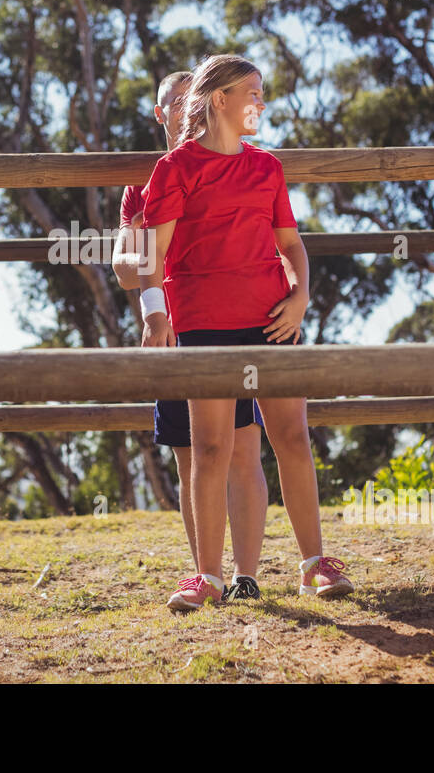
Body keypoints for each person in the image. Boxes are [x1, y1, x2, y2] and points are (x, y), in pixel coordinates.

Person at [138, 54, 354, 610]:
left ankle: (314, 565)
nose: (260, 102)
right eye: (252, 92)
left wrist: (301, 297)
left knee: (292, 439)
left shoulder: (268, 167)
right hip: (202, 325)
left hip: (272, 323)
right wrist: (154, 314)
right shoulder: (175, 168)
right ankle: (207, 577)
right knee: (210, 447)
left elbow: (292, 245)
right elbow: (152, 255)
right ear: (220, 100)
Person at [113, 71, 268, 600]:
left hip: (229, 325)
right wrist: (163, 260)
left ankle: (247, 576)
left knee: (244, 447)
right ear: (160, 113)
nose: (186, 109)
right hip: (175, 332)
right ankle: (208, 574)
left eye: (193, 99)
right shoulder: (143, 184)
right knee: (191, 452)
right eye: (175, 103)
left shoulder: (238, 164)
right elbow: (123, 267)